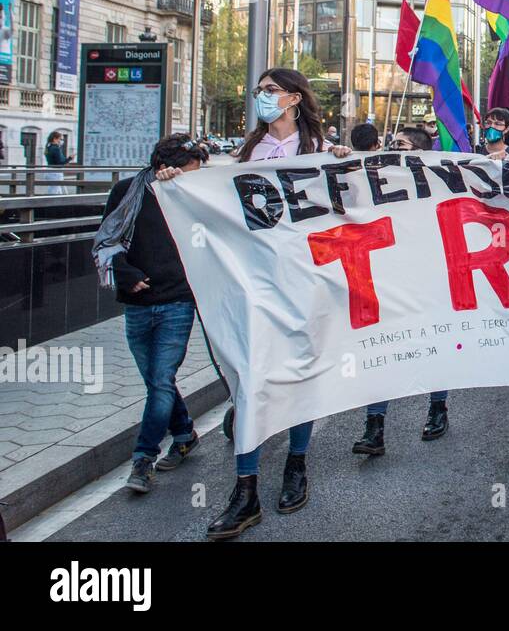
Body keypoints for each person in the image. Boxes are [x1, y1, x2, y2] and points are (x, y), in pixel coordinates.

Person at [157, 68, 353, 540]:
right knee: (250, 379)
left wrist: (346, 164)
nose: (261, 98)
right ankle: (244, 491)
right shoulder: (247, 153)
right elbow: (210, 192)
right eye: (259, 91)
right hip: (255, 286)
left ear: (293, 99)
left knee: (303, 375)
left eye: (270, 91)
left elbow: (347, 207)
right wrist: (174, 180)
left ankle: (296, 465)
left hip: (306, 283)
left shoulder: (320, 152)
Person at [95, 134, 210, 494]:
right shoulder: (128, 192)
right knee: (156, 382)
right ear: (164, 167)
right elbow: (108, 240)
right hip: (138, 304)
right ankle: (185, 433)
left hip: (177, 301)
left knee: (161, 380)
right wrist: (125, 274)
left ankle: (143, 459)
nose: (194, 178)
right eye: (189, 170)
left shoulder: (193, 197)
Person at [353, 125, 452, 453]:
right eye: (392, 143)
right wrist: (341, 156)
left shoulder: (440, 182)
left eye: (402, 145)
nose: (393, 148)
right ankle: (374, 427)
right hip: (390, 276)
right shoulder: (377, 180)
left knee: (434, 345)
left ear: (420, 153)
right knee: (383, 350)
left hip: (431, 278)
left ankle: (438, 408)